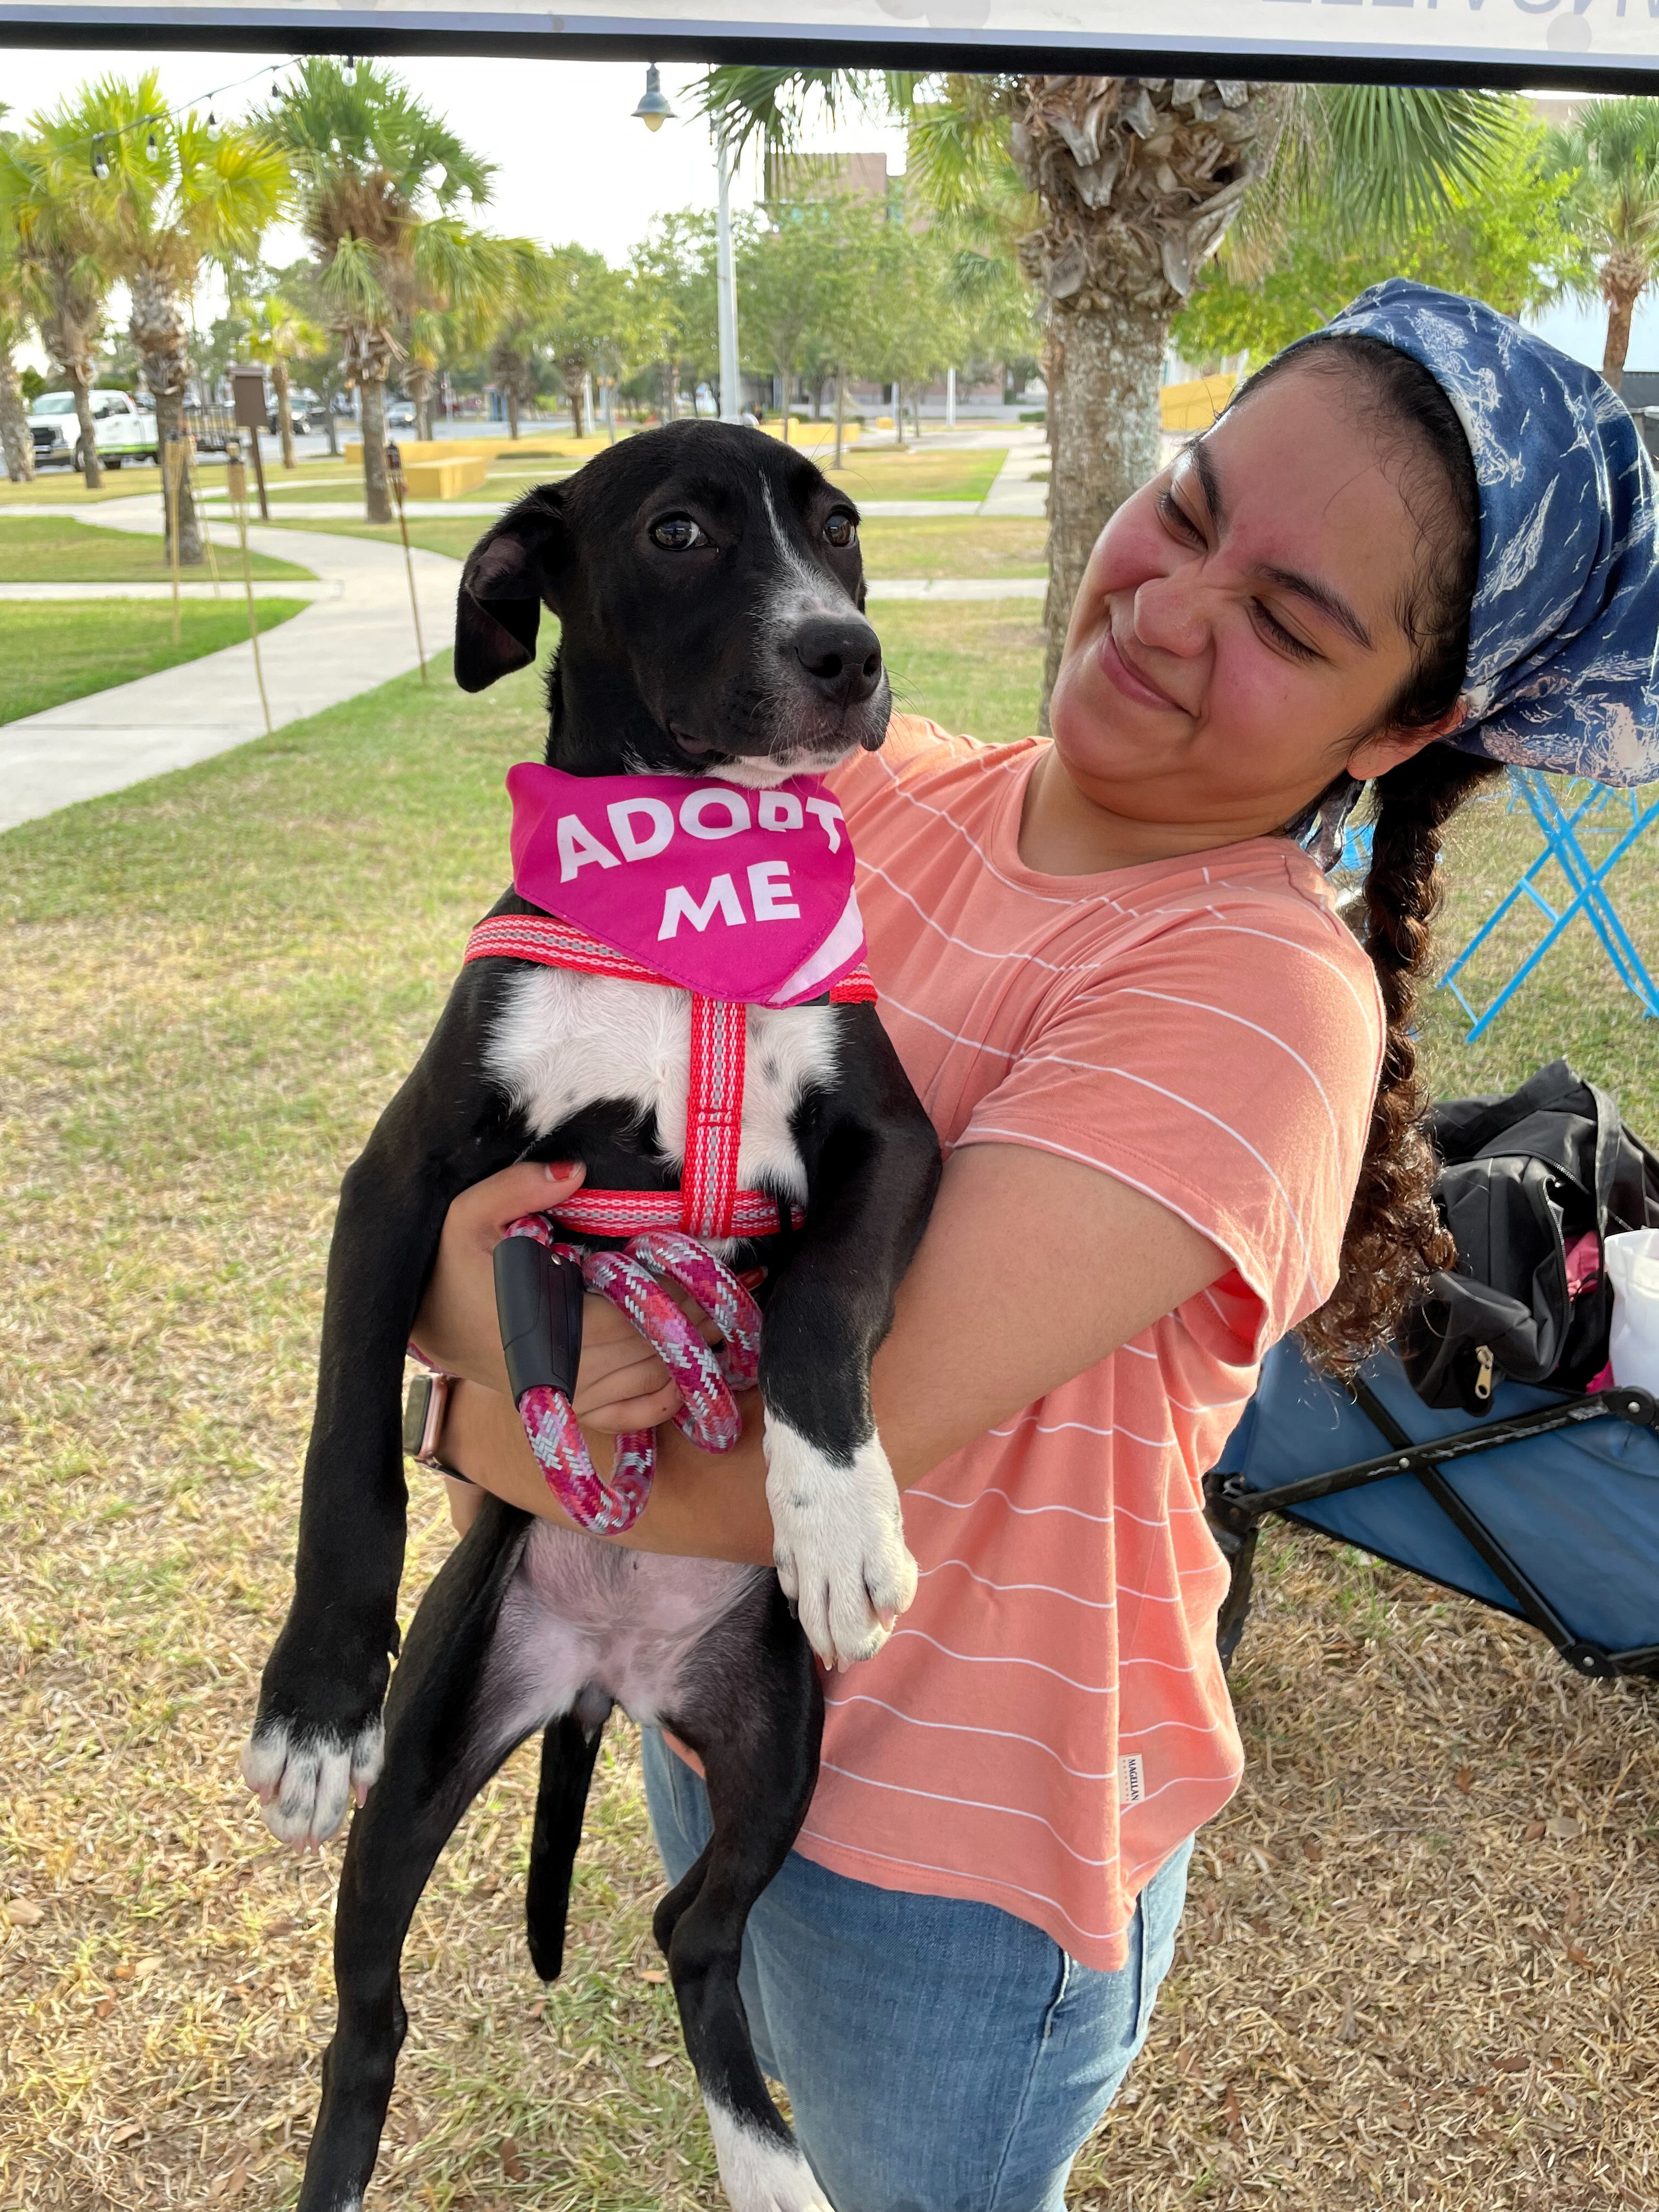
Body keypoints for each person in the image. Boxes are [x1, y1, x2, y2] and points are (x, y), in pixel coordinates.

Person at [404, 284, 1659, 2212]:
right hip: (699, 1682)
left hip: (953, 1861)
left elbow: (764, 1478)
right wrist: (483, 1320)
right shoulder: (869, 797)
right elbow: (473, 1191)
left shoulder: (1247, 1000)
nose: (1165, 606)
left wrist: (477, 1405)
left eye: (1288, 621)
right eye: (1189, 502)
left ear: (1403, 722)